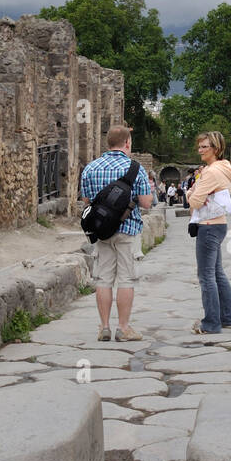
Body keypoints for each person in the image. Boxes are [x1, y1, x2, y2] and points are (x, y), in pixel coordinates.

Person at [79, 125, 152, 341]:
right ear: (127, 143)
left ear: (107, 143)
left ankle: (103, 327)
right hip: (128, 230)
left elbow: (87, 202)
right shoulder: (135, 168)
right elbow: (147, 203)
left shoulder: (90, 168)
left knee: (103, 279)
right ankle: (123, 328)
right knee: (126, 280)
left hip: (102, 232)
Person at [187, 131, 231, 334]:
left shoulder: (210, 172)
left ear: (216, 149)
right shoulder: (225, 168)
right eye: (199, 146)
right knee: (217, 273)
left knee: (206, 275)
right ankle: (228, 317)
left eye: (205, 147)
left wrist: (191, 192)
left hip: (208, 226)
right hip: (219, 224)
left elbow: (194, 201)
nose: (200, 150)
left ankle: (211, 323)